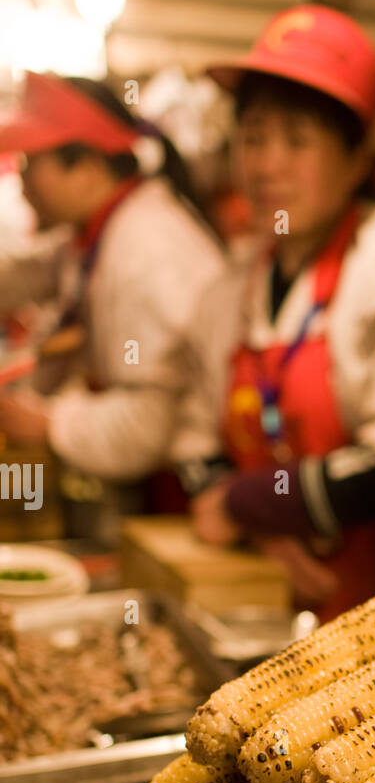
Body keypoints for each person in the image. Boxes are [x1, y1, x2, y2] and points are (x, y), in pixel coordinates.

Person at [187, 6, 375, 618]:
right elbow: (193, 435)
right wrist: (262, 527)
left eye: (296, 140)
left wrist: (244, 502)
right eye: (254, 136)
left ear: (357, 159)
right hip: (284, 611)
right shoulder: (229, 287)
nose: (267, 165)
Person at [0, 73, 225, 492]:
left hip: (186, 489)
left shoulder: (148, 248)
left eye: (33, 165)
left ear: (87, 166)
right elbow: (21, 274)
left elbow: (147, 424)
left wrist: (47, 423)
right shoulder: (101, 230)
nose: (23, 184)